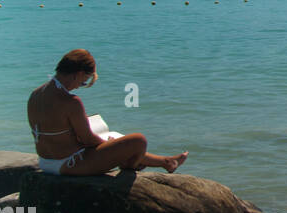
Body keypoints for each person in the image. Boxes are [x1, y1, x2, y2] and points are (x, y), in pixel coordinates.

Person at [27, 49, 187, 176]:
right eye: (84, 82)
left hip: (46, 162)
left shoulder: (35, 94)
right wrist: (107, 144)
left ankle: (166, 162)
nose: (79, 86)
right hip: (69, 163)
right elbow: (88, 140)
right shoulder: (71, 101)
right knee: (138, 140)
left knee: (118, 138)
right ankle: (128, 166)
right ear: (79, 73)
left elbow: (54, 132)